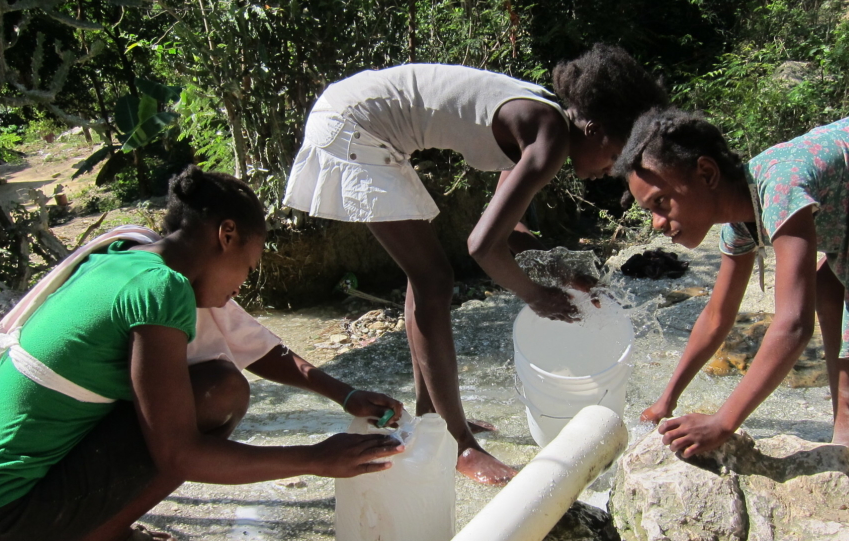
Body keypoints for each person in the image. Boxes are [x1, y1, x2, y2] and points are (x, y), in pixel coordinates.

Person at [0, 165, 404, 541]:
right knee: (218, 396)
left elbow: (247, 340)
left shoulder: (127, 257)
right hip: (6, 517)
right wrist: (316, 458)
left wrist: (345, 395)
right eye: (249, 267)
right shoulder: (163, 288)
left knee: (215, 388)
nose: (242, 285)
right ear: (226, 234)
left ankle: (97, 535)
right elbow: (179, 454)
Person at [284, 45, 669, 485]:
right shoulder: (549, 138)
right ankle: (458, 442)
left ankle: (432, 416)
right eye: (617, 156)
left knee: (424, 278)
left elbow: (510, 233)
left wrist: (564, 274)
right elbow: (482, 246)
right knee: (433, 279)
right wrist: (536, 297)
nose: (613, 171)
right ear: (595, 130)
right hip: (355, 126)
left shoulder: (542, 121)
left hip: (355, 116)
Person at [616, 104, 849, 490]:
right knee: (829, 284)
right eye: (649, 211)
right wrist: (667, 400)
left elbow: (793, 325)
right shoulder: (742, 220)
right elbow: (717, 317)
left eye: (661, 202)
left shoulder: (780, 185)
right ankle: (848, 431)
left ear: (706, 174)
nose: (657, 223)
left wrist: (723, 422)